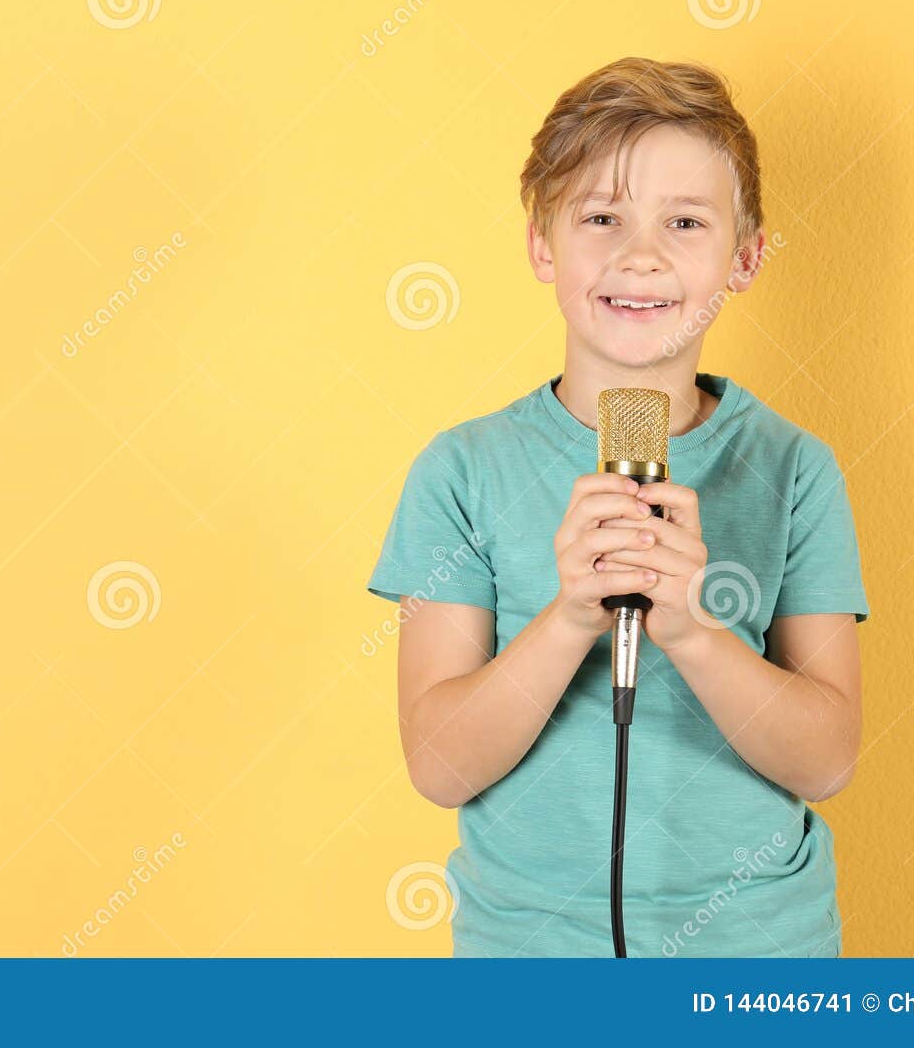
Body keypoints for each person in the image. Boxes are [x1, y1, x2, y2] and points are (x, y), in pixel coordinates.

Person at [366, 57, 869, 957]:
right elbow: (438, 766)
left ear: (746, 256)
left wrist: (689, 629)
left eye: (685, 221)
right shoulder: (462, 471)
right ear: (542, 247)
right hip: (530, 954)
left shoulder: (796, 469)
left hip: (759, 954)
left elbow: (826, 757)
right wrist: (566, 617)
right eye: (602, 218)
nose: (641, 255)